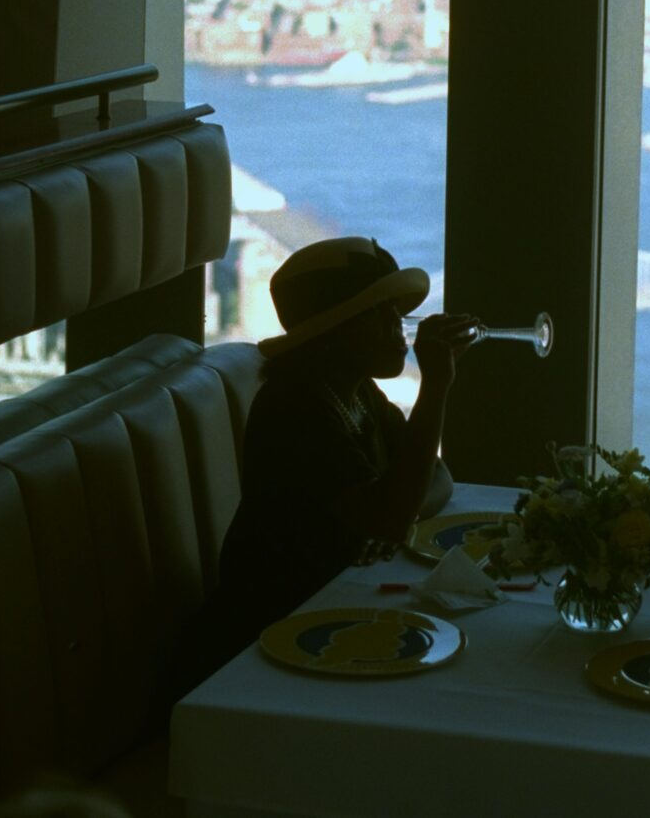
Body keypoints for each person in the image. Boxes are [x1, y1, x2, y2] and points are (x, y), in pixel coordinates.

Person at [165, 236, 477, 707]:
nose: (401, 330)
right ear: (337, 330)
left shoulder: (355, 394)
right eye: (383, 315)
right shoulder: (296, 409)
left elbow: (436, 479)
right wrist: (436, 386)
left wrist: (393, 510)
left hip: (322, 621)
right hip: (258, 651)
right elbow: (395, 514)